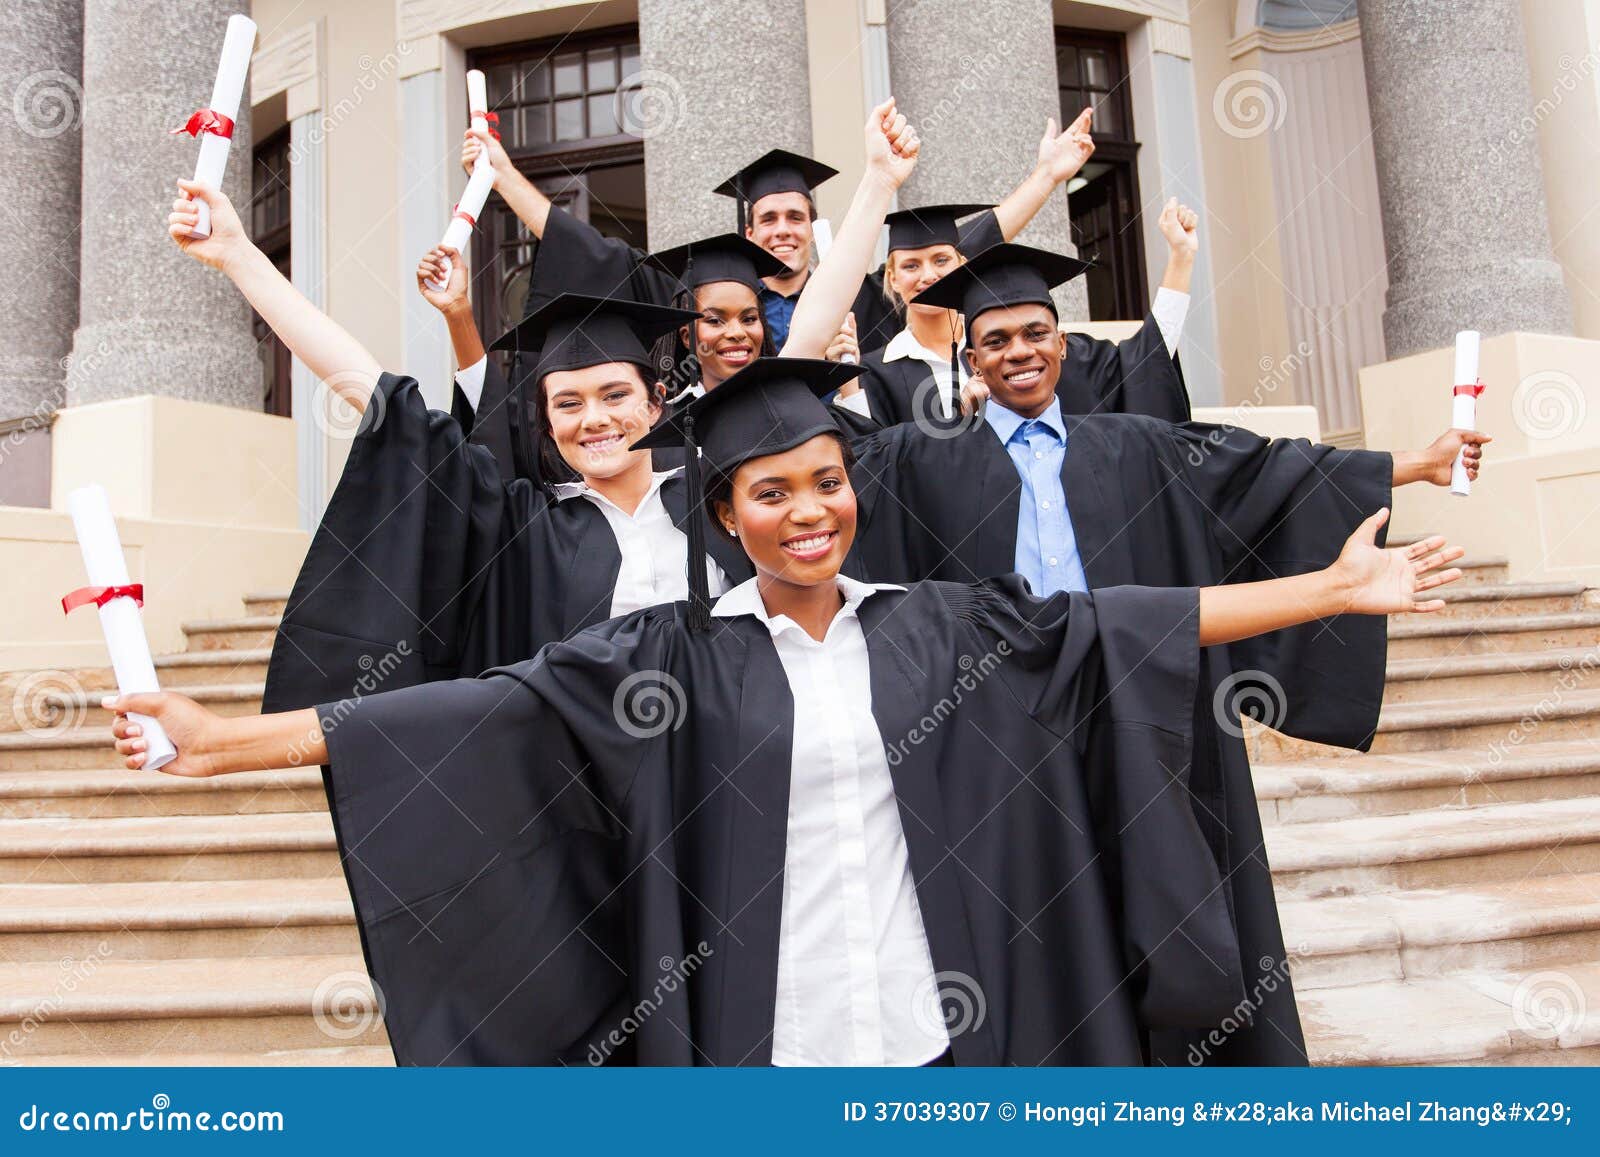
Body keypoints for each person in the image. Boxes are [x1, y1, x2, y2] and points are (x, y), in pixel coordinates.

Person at [105, 358, 1466, 1068]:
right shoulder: (666, 657)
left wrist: (1328, 587)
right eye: (772, 492)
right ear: (727, 513)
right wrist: (228, 741)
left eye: (827, 481)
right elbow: (476, 714)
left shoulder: (947, 621)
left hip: (941, 1026)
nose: (810, 510)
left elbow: (1132, 623)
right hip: (769, 1037)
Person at [164, 181, 748, 714]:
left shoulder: (721, 502)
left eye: (615, 395)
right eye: (568, 403)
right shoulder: (525, 527)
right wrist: (240, 257)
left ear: (657, 402)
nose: (594, 419)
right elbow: (377, 394)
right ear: (547, 425)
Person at [462, 106, 1102, 354]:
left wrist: (1047, 177)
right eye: (768, 218)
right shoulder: (701, 304)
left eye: (796, 216)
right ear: (748, 230)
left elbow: (972, 244)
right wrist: (505, 177)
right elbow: (603, 257)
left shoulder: (862, 297)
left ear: (812, 225)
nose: (783, 230)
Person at [842, 196, 1200, 427]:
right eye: (910, 265)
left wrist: (1181, 260)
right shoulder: (875, 375)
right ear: (891, 277)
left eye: (941, 260)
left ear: (962, 264)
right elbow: (872, 462)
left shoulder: (1033, 352)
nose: (928, 275)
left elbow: (1144, 365)